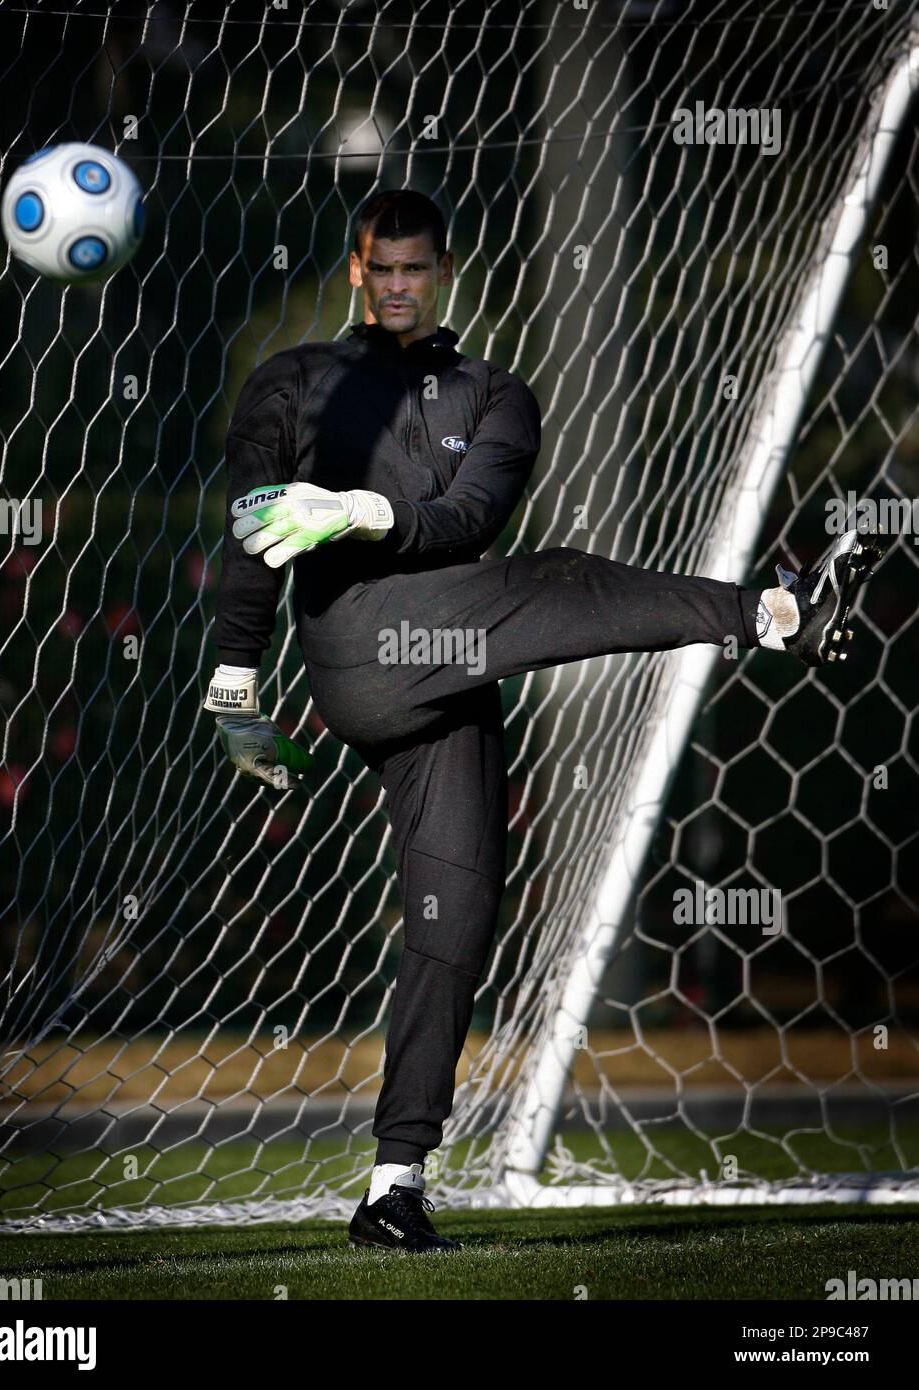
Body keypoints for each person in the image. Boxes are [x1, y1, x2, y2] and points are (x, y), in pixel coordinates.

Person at [204, 189, 884, 1252]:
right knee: (561, 577)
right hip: (358, 647)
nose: (396, 285)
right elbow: (245, 535)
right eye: (380, 268)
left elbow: (469, 518)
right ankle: (768, 610)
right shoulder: (291, 384)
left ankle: (393, 1186)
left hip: (452, 665)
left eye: (415, 269)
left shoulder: (494, 395)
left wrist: (361, 508)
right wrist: (236, 690)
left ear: (441, 274)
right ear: (353, 270)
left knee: (455, 915)